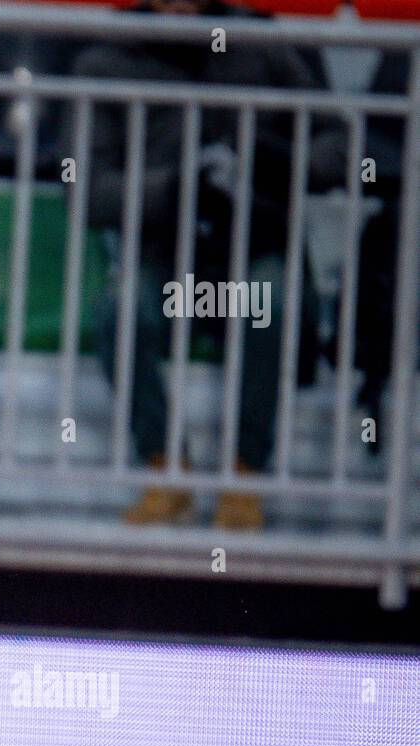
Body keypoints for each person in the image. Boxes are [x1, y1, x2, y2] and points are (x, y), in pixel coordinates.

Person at [68, 0, 320, 529]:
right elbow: (87, 191)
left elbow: (342, 143)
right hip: (163, 258)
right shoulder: (104, 59)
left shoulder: (264, 46)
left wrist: (266, 163)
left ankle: (245, 475)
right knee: (122, 311)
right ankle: (166, 469)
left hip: (251, 248)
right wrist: (179, 189)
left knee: (269, 301)